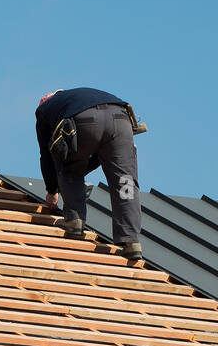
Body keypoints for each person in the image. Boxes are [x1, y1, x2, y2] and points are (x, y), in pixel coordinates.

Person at [35, 87, 143, 260]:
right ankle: (131, 241)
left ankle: (74, 220)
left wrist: (52, 190)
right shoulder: (80, 95)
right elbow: (99, 154)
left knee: (68, 163)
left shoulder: (44, 111)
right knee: (125, 181)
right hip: (122, 120)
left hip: (84, 121)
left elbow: (47, 154)